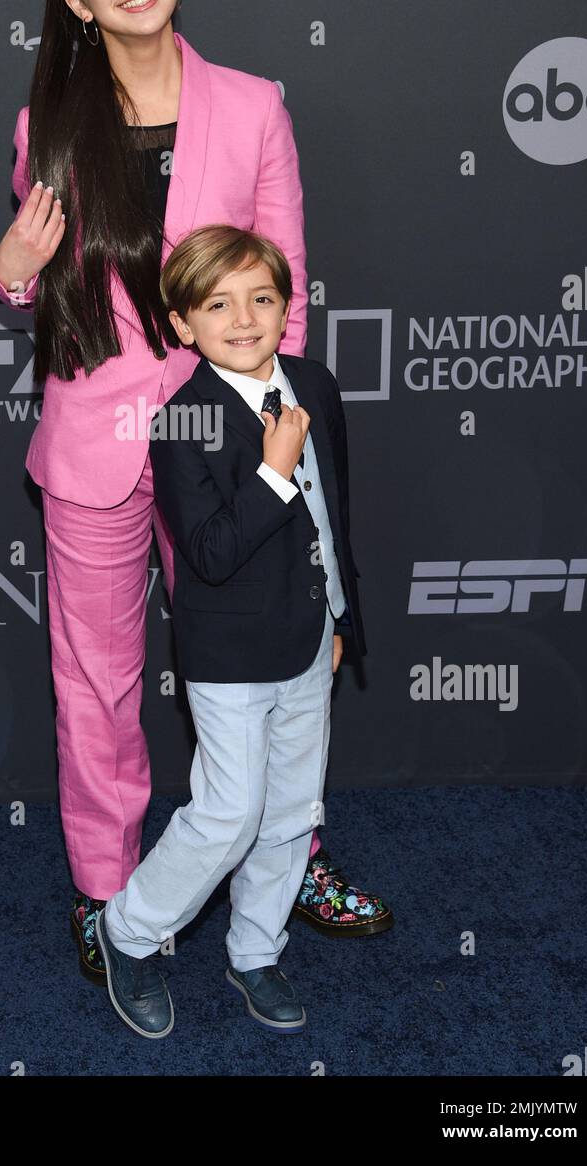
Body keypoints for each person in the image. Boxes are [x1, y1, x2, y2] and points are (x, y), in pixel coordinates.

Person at [0, 0, 391, 980]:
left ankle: (284, 852)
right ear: (74, 0)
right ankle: (107, 886)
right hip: (98, 441)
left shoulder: (254, 106)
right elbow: (37, 282)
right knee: (100, 679)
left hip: (233, 445)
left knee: (273, 662)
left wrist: (277, 424)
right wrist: (8, 275)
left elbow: (285, 292)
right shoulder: (48, 129)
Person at [97, 227, 373, 1037]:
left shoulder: (315, 386)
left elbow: (334, 517)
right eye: (217, 304)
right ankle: (130, 930)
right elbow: (210, 555)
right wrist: (272, 469)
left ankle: (255, 950)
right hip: (228, 653)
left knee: (292, 809)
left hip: (308, 638)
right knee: (229, 813)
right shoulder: (182, 422)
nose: (244, 318)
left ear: (288, 307)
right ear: (182, 325)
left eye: (261, 298)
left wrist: (339, 617)